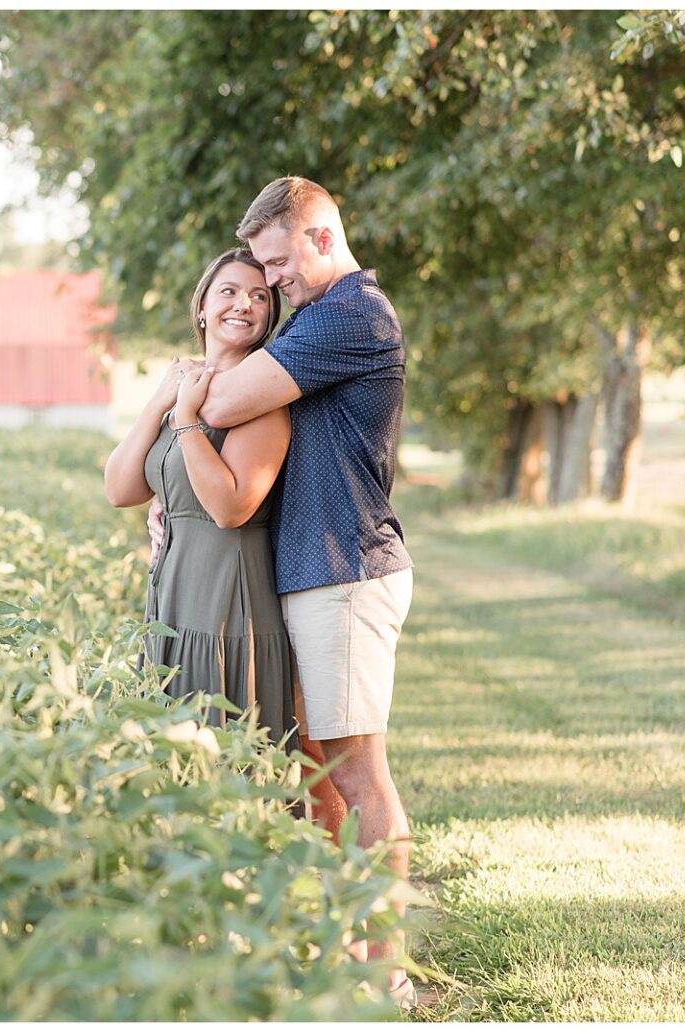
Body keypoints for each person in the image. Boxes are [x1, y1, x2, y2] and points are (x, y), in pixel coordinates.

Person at [151, 176, 416, 1009]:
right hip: (307, 572)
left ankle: (386, 974)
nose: (270, 284)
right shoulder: (315, 317)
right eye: (257, 270)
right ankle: (336, 941)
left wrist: (185, 398)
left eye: (276, 264)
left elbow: (225, 398)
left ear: (322, 240)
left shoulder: (350, 315)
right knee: (313, 772)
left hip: (345, 571)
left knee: (358, 773)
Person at [103, 248, 298, 747]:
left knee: (228, 749)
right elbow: (120, 489)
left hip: (229, 599)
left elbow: (231, 508)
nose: (245, 304)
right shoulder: (183, 393)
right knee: (171, 757)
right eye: (229, 292)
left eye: (260, 297)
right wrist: (162, 401)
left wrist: (187, 419)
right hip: (171, 595)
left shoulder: (262, 402)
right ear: (202, 309)